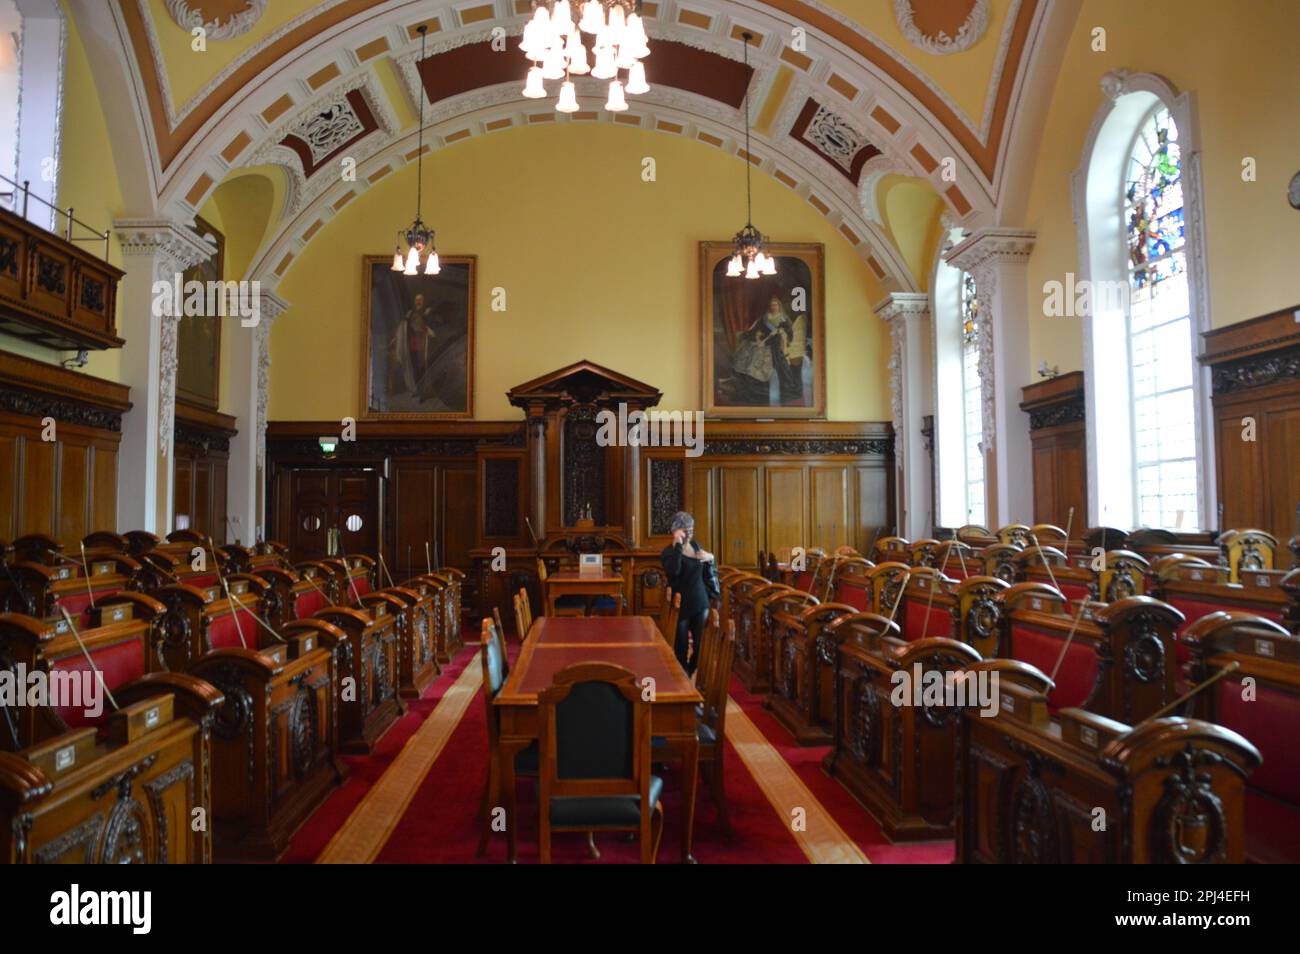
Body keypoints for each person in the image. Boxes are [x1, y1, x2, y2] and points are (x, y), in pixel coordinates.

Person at [661, 511, 713, 676]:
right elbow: (673, 571)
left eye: (691, 530)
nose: (689, 535)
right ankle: (683, 676)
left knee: (701, 645)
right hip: (680, 604)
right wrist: (677, 545)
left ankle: (691, 670)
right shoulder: (668, 552)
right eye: (686, 531)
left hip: (700, 601)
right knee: (681, 646)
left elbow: (708, 568)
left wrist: (710, 557)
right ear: (676, 530)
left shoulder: (696, 547)